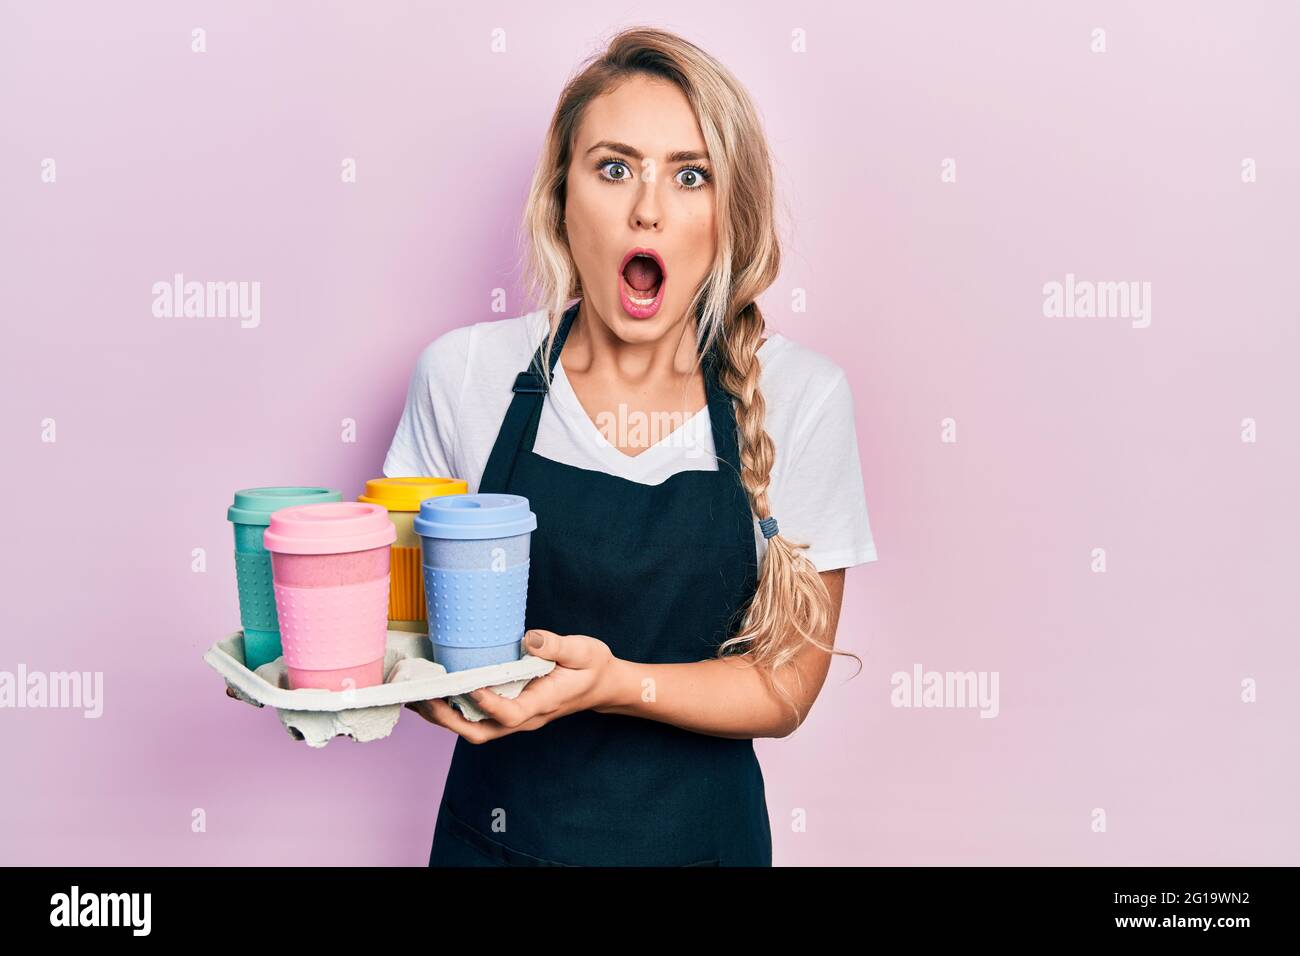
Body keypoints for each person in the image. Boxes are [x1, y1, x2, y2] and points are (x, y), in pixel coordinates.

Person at [383, 27, 878, 867]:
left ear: (730, 215)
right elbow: (401, 630)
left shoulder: (803, 399)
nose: (647, 208)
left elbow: (787, 686)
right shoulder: (463, 375)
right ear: (559, 199)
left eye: (691, 176)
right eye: (614, 168)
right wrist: (400, 682)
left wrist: (616, 682)